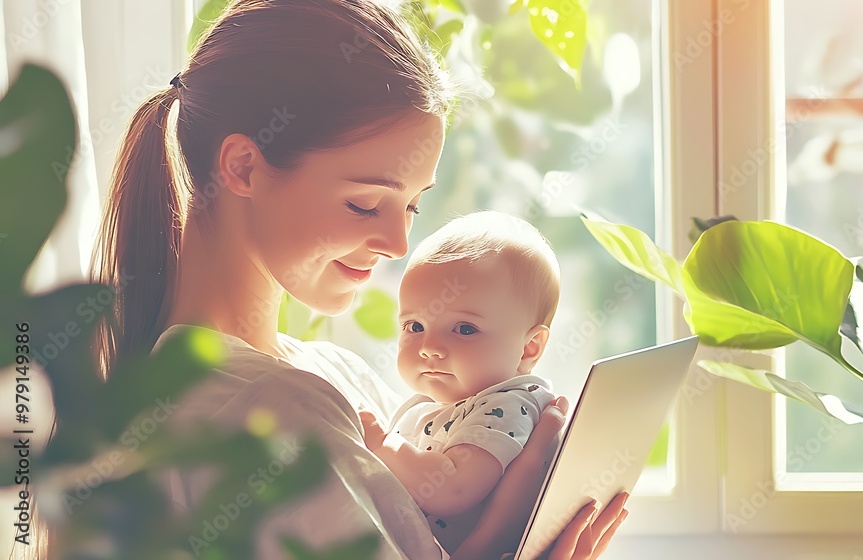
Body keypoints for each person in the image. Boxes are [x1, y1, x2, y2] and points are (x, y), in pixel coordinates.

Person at [91, 0, 628, 558]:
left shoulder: (330, 373)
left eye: (412, 206)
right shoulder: (264, 411)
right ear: (243, 167)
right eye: (365, 204)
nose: (398, 245)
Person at [359, 211, 562, 554]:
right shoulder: (449, 404)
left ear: (528, 347)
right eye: (415, 326)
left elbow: (450, 488)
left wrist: (382, 444)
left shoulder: (509, 405)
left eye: (465, 329)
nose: (429, 348)